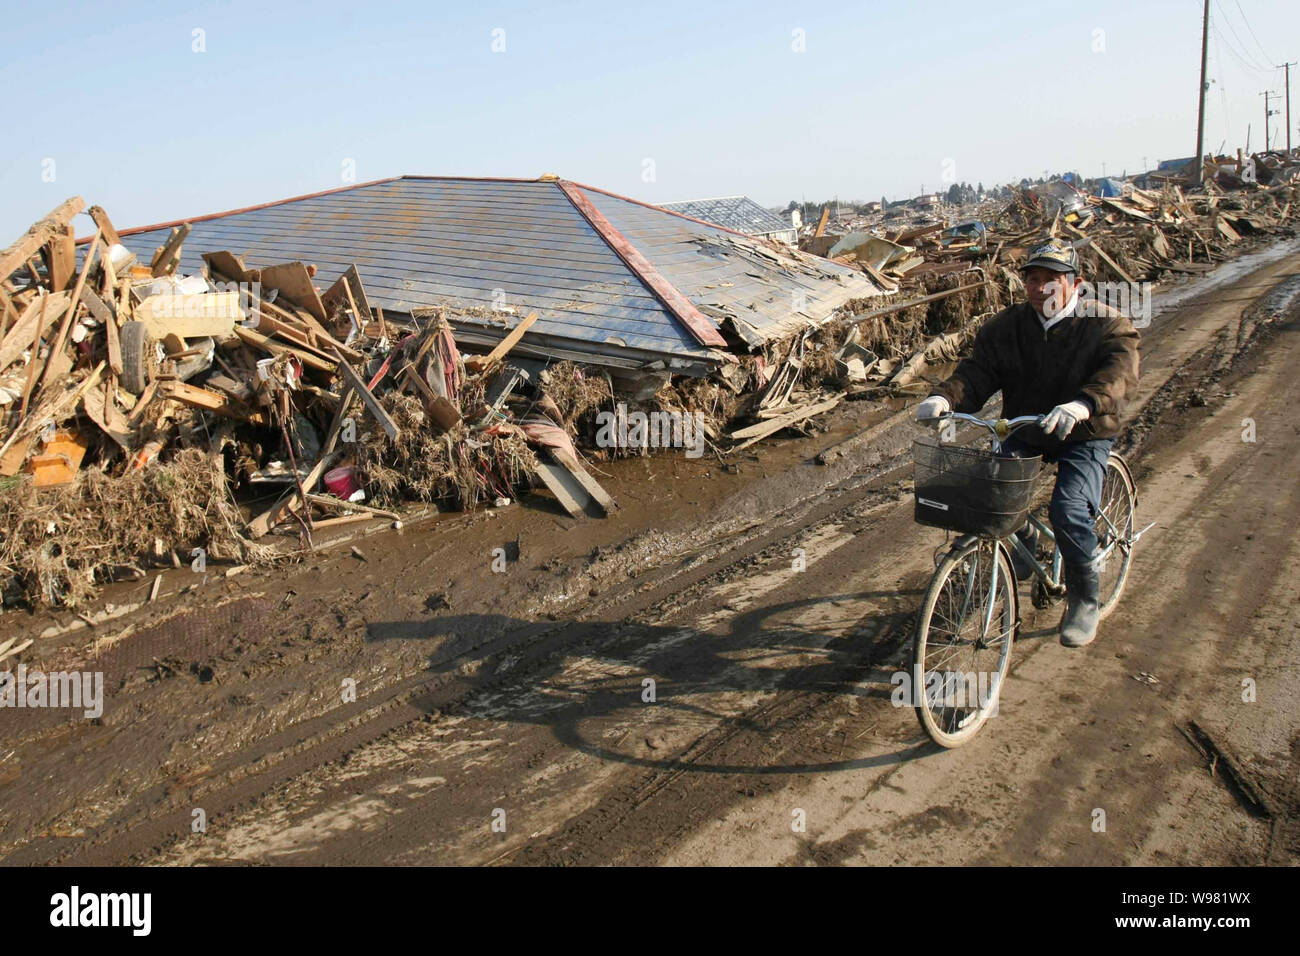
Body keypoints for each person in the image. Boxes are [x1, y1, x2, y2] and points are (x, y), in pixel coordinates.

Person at [914, 238, 1141, 647]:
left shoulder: (1106, 325)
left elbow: (1119, 375)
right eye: (1033, 279)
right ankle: (1023, 550)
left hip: (1084, 435)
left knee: (1068, 510)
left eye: (1052, 279)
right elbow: (979, 373)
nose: (1040, 288)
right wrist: (943, 398)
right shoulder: (1007, 327)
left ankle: (1084, 598)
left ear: (1077, 283)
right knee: (991, 500)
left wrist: (1082, 405)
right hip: (1027, 429)